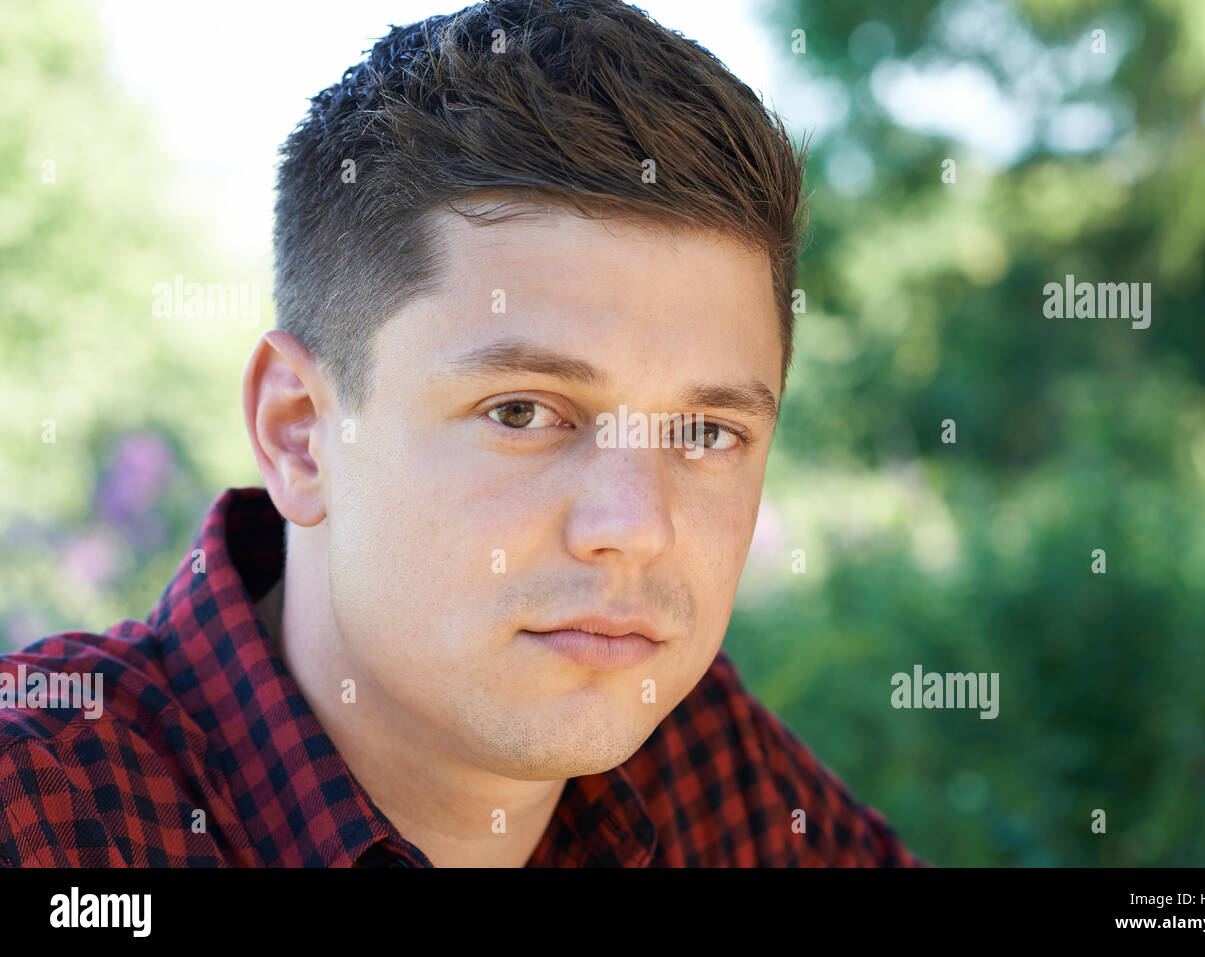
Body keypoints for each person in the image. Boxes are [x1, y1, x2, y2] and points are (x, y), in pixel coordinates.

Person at [0, 0, 925, 867]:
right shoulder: (40, 811)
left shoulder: (700, 761)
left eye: (704, 429)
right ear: (300, 433)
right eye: (522, 412)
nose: (636, 526)